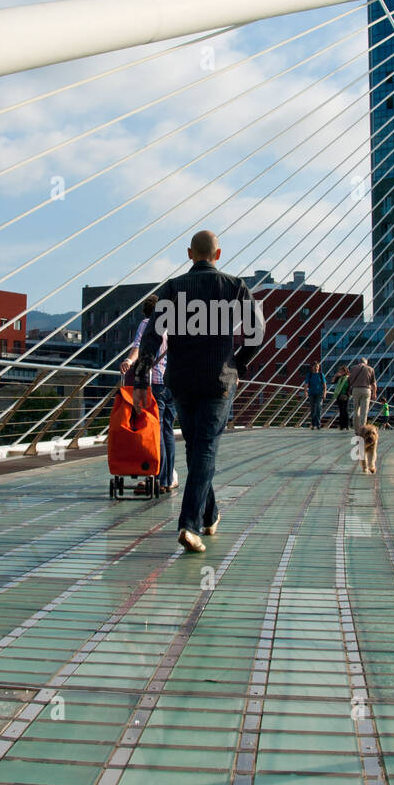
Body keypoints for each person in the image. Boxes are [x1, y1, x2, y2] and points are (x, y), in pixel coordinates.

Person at [135, 230, 264, 554]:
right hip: (218, 381)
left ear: (190, 253)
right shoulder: (234, 287)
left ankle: (210, 514)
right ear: (218, 255)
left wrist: (141, 379)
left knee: (197, 449)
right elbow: (258, 332)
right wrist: (239, 363)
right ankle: (189, 525)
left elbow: (152, 337)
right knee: (203, 450)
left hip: (181, 381)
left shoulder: (173, 288)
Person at [121, 294, 176, 495]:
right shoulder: (174, 325)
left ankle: (157, 478)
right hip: (173, 384)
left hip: (153, 384)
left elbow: (137, 347)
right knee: (168, 430)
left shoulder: (146, 323)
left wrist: (129, 361)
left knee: (155, 430)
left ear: (146, 311)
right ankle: (168, 479)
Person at [348, 356, 376, 430]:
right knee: (364, 411)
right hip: (366, 390)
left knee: (356, 410)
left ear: (359, 362)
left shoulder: (353, 368)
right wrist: (374, 393)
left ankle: (356, 429)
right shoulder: (370, 369)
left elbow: (349, 380)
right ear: (366, 363)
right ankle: (362, 429)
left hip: (356, 389)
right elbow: (373, 383)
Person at [304, 360, 327, 430]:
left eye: (317, 367)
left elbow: (324, 385)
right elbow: (306, 384)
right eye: (315, 367)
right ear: (312, 367)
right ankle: (313, 424)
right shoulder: (309, 375)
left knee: (318, 408)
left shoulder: (321, 374)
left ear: (319, 367)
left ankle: (318, 424)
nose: (316, 368)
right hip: (311, 394)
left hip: (319, 394)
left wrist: (324, 393)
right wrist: (305, 391)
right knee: (313, 409)